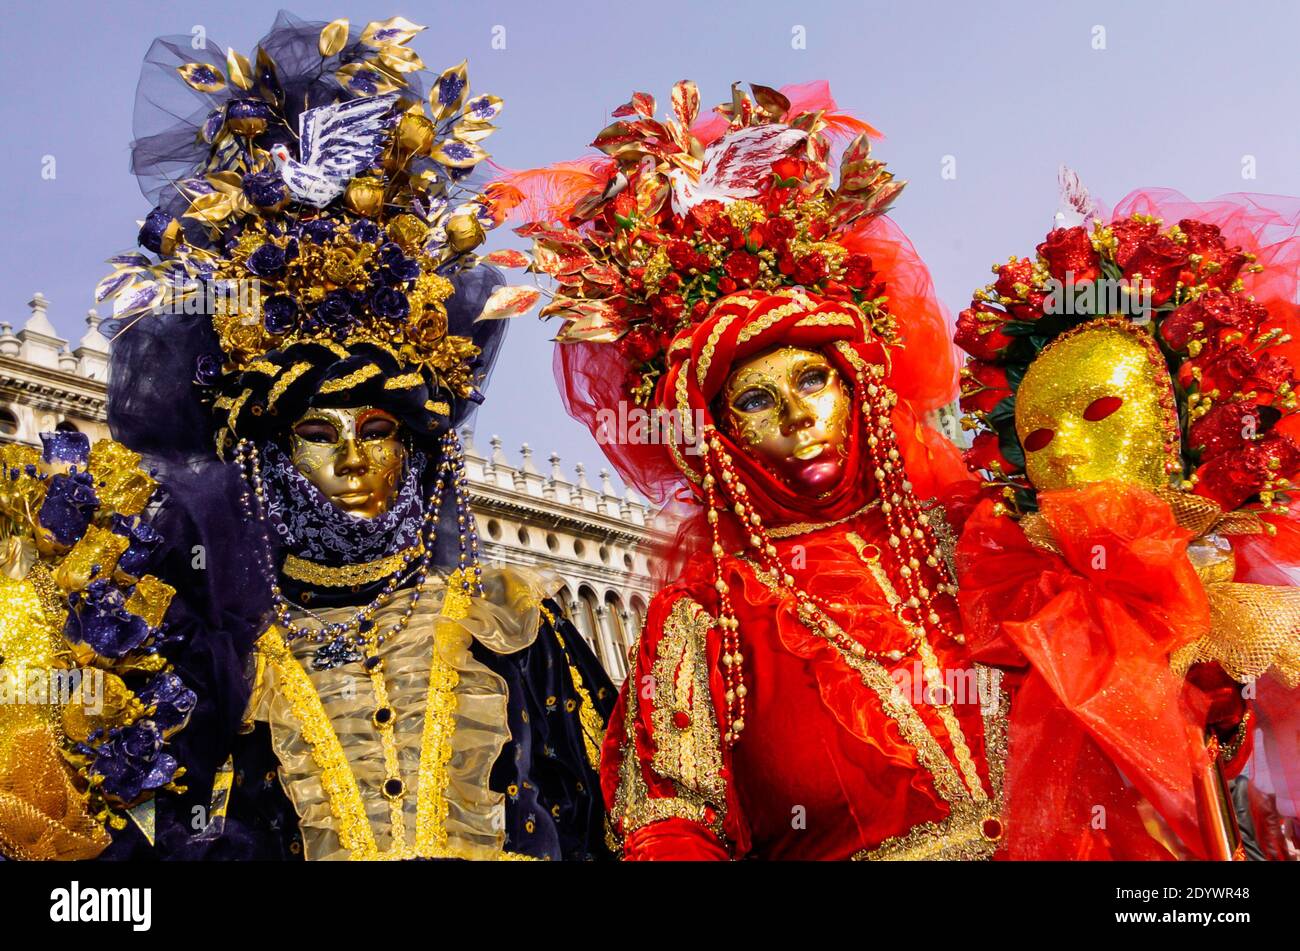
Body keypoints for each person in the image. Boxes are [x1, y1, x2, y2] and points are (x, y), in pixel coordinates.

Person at [97, 12, 613, 861]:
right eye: (314, 430)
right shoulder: (223, 670)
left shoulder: (515, 626)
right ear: (269, 455)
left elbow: (600, 823)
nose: (350, 457)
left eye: (379, 428)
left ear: (417, 444)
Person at [498, 81, 999, 859]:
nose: (797, 417)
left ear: (857, 382)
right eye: (757, 399)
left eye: (812, 379)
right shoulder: (707, 620)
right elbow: (671, 820)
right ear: (719, 435)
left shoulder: (977, 545)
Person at [953, 187, 1300, 859]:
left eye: (1104, 408)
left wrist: (1222, 711)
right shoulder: (1028, 597)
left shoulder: (1257, 599)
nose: (1072, 453)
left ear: (1183, 409)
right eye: (1040, 436)